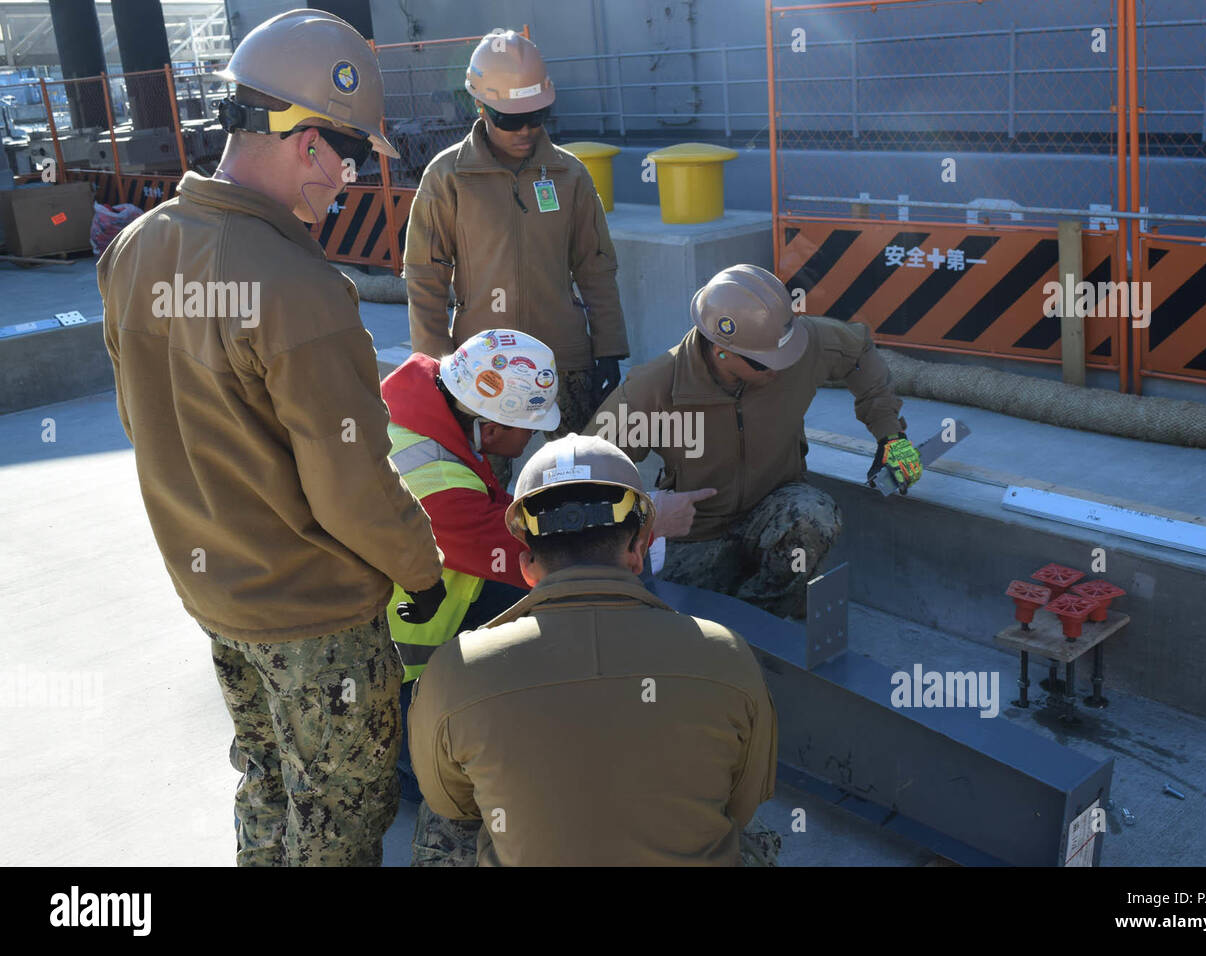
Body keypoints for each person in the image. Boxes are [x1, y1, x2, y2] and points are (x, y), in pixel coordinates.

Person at [99, 9, 447, 866]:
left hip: (218, 599)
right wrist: (421, 570)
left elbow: (143, 424)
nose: (351, 179)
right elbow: (351, 486)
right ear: (304, 141)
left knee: (265, 785)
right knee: (340, 820)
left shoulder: (138, 250)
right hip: (315, 617)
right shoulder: (297, 286)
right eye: (352, 156)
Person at [407, 435, 780, 865]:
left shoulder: (456, 669)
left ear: (527, 566)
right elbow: (744, 800)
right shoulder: (727, 655)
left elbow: (452, 804)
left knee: (441, 817)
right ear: (639, 551)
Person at [586, 264, 921, 619]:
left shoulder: (795, 344)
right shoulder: (653, 389)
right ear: (721, 350)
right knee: (663, 621)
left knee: (814, 516)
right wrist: (645, 511)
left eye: (784, 355)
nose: (778, 369)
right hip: (696, 534)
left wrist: (890, 435)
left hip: (774, 510)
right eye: (764, 364)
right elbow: (579, 473)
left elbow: (859, 353)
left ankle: (767, 618)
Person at [404, 29, 628, 483]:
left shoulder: (569, 174)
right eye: (510, 119)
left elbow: (596, 266)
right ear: (481, 108)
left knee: (586, 477)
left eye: (537, 116)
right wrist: (434, 365)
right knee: (479, 483)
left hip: (564, 361)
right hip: (483, 368)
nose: (525, 130)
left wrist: (609, 350)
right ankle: (494, 557)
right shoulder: (448, 177)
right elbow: (425, 275)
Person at [376, 329, 556, 864]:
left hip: (400, 628)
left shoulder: (419, 410)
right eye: (530, 429)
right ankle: (399, 758)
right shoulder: (437, 485)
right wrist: (645, 521)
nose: (535, 440)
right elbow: (533, 555)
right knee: (457, 785)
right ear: (493, 425)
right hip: (394, 673)